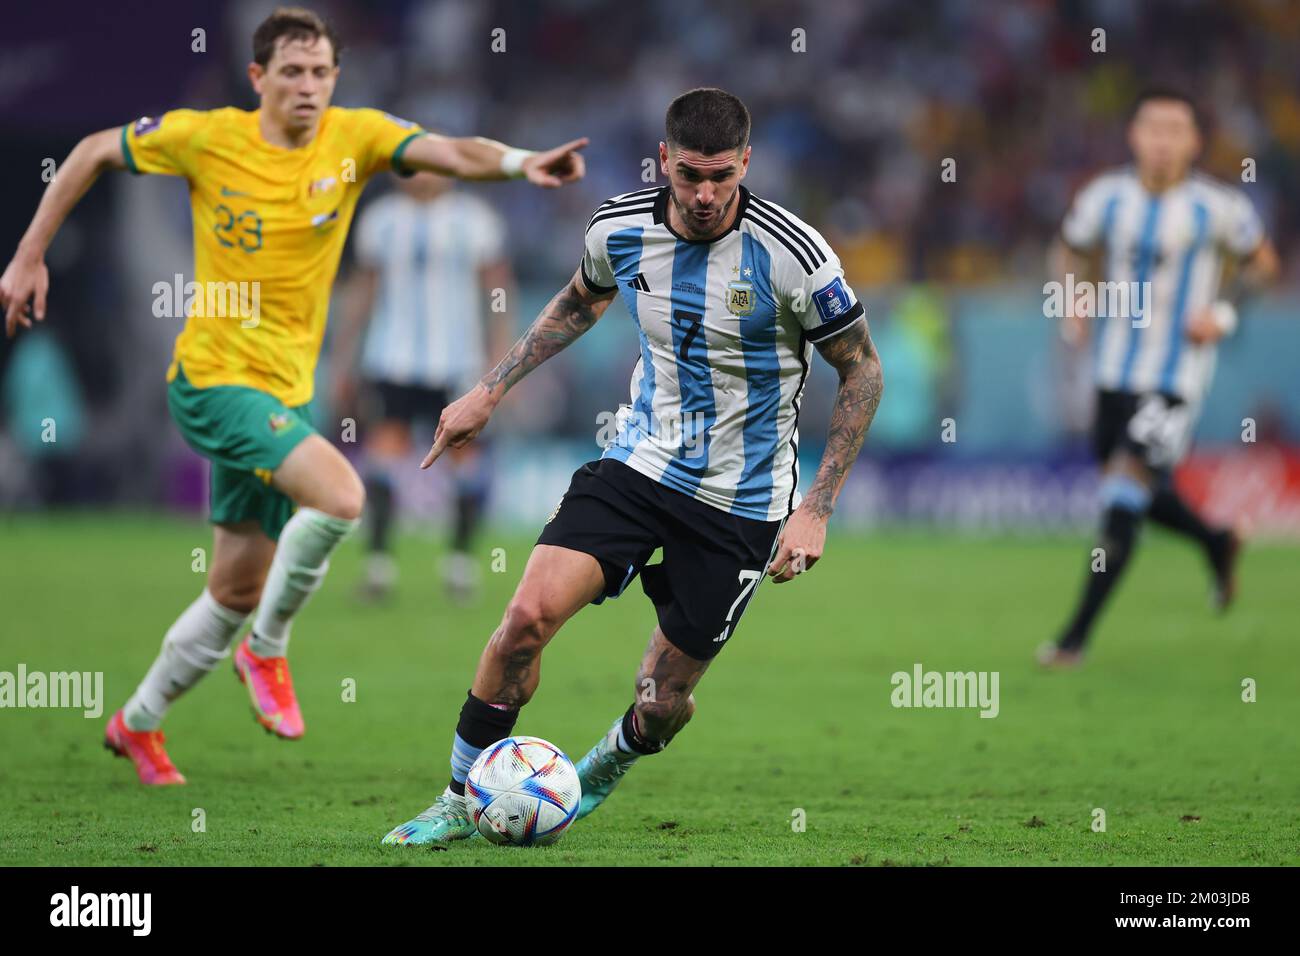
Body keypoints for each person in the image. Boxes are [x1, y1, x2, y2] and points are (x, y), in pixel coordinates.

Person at [0, 6, 587, 784]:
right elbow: (92, 151)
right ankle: (268, 651)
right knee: (343, 496)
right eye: (292, 73)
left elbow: (449, 150)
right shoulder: (206, 138)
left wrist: (520, 163)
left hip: (285, 395)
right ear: (258, 79)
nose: (308, 86)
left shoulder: (355, 137)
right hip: (212, 382)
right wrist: (30, 253)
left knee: (234, 587)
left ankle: (137, 723)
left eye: (320, 73)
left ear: (334, 79)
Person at [381, 87, 884, 846]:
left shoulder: (795, 255)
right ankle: (458, 797)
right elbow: (582, 301)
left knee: (661, 700)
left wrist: (815, 507)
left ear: (746, 162)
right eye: (689, 175)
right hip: (638, 463)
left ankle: (606, 764)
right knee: (523, 621)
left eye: (722, 174)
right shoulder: (618, 228)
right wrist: (490, 391)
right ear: (663, 161)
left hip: (740, 502)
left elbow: (863, 371)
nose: (707, 193)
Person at [1041, 88, 1279, 667]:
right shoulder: (1104, 198)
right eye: (1153, 127)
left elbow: (1263, 265)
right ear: (1134, 135)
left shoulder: (1218, 207)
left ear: (1195, 142)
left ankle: (1072, 640)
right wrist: (1070, 298)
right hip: (1111, 370)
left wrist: (1223, 313)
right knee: (1139, 490)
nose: (1163, 140)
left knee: (1123, 495)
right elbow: (1068, 250)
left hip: (1175, 378)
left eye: (1177, 129)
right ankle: (1218, 541)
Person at [332, 172, 515, 602]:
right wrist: (344, 357)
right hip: (391, 357)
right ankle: (378, 565)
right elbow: (364, 290)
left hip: (458, 358)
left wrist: (502, 358)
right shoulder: (380, 219)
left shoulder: (474, 220)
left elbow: (497, 289)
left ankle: (460, 564)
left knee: (465, 456)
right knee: (383, 452)